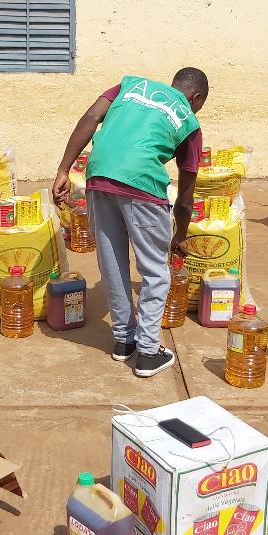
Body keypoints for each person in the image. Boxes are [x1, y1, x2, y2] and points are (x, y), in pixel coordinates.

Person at [52, 69, 209, 378]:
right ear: (197, 98)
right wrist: (180, 234)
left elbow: (90, 116)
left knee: (112, 263)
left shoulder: (130, 86)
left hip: (99, 176)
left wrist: (63, 169)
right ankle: (148, 352)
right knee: (155, 272)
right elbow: (187, 195)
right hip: (142, 185)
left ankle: (124, 341)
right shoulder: (189, 121)